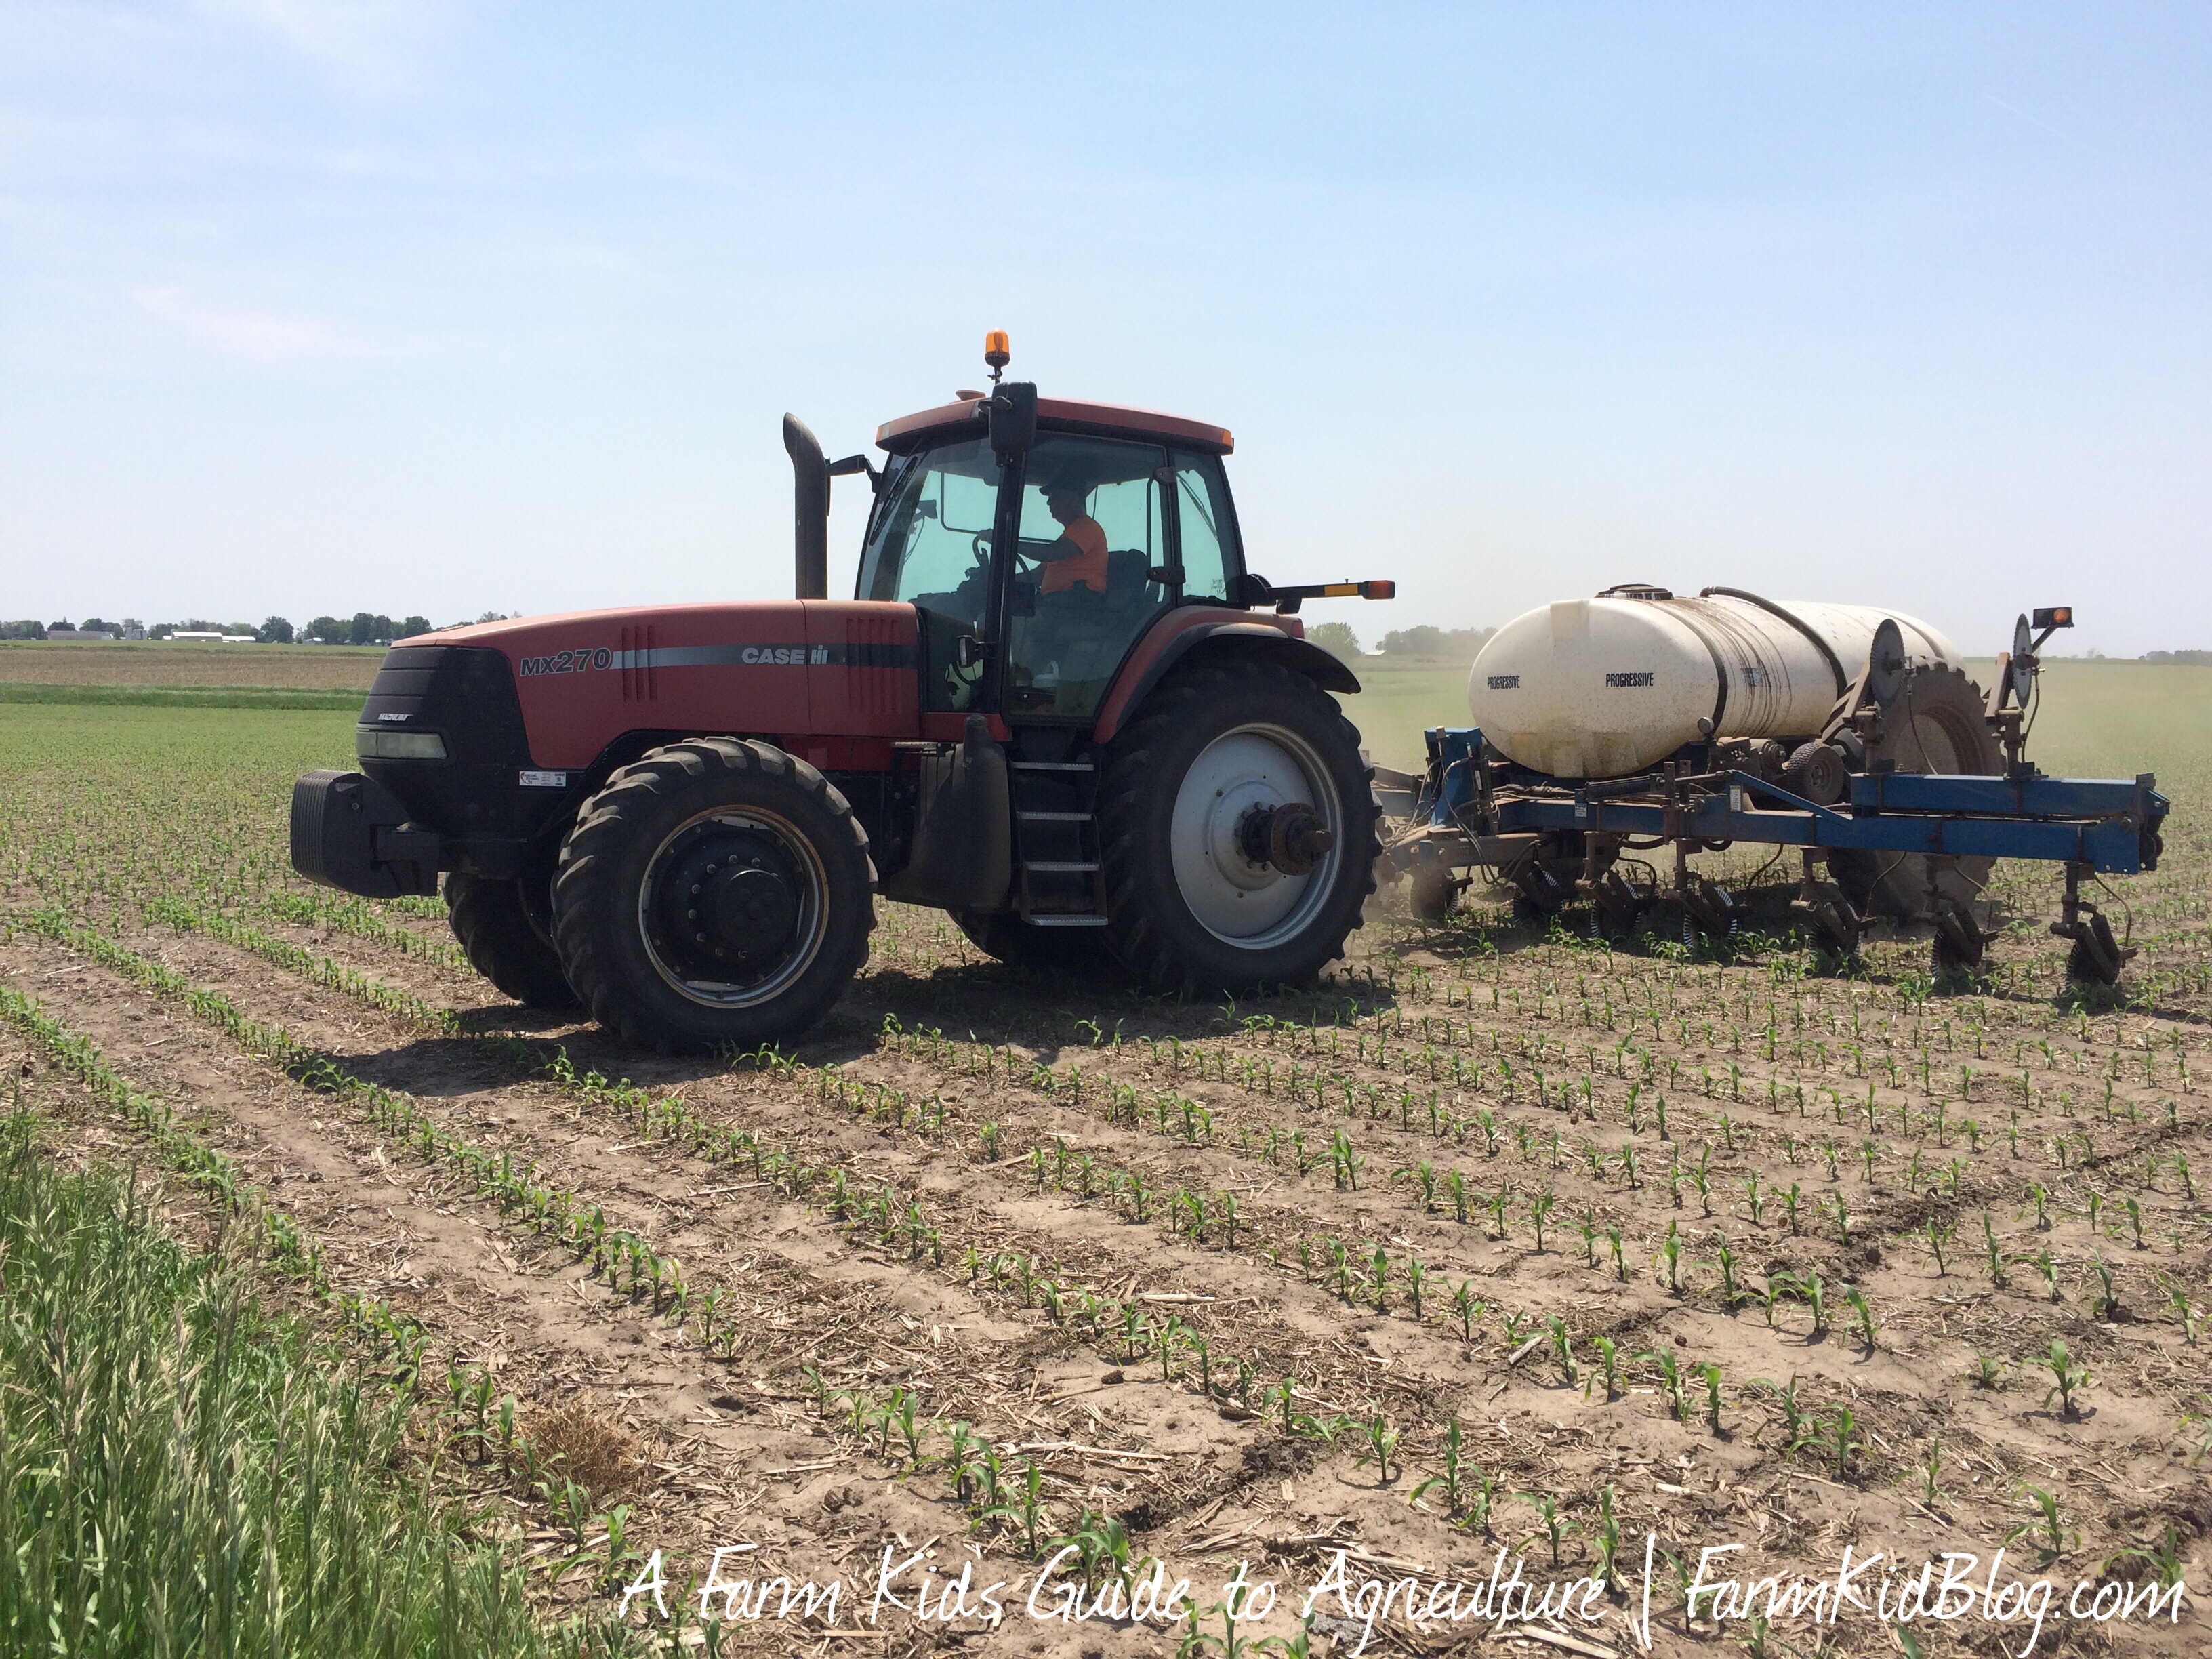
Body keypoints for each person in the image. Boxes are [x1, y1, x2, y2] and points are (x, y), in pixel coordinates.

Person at [1033, 483, 1109, 597]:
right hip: (1055, 601)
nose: (1048, 502)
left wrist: (1013, 545)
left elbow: (1053, 553)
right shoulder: (1066, 540)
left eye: (1055, 497)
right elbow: (1035, 576)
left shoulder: (1087, 527)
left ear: (1073, 498)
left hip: (1078, 601)